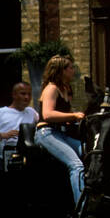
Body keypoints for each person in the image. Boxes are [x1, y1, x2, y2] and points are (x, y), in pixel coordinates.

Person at [35, 54, 86, 206]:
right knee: (76, 165)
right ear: (61, 70)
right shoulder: (51, 88)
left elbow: (63, 118)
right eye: (70, 67)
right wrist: (74, 115)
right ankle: (82, 208)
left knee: (91, 153)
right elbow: (48, 114)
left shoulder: (65, 89)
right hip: (46, 133)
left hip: (60, 133)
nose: (73, 70)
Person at [0, 83, 38, 170]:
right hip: (3, 156)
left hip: (26, 155)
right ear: (14, 95)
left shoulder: (31, 112)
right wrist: (3, 135)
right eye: (23, 94)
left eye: (29, 94)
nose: (27, 97)